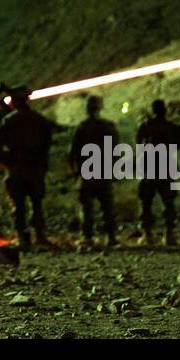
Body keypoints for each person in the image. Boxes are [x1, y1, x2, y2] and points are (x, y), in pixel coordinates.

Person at [0, 83, 55, 250]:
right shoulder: (39, 120)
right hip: (35, 168)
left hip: (16, 168)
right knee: (37, 204)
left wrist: (3, 162)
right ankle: (40, 236)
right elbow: (47, 144)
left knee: (19, 206)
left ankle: (23, 238)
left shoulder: (8, 121)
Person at [136, 99, 180, 246]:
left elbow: (139, 145)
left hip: (149, 168)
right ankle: (169, 234)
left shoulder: (145, 126)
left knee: (146, 202)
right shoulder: (173, 127)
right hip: (167, 166)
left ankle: (147, 235)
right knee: (168, 202)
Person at [69, 94, 119, 248]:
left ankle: (88, 237)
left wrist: (75, 170)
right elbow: (116, 150)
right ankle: (111, 237)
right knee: (107, 207)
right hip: (104, 171)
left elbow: (73, 151)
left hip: (87, 172)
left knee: (86, 207)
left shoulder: (82, 127)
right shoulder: (108, 126)